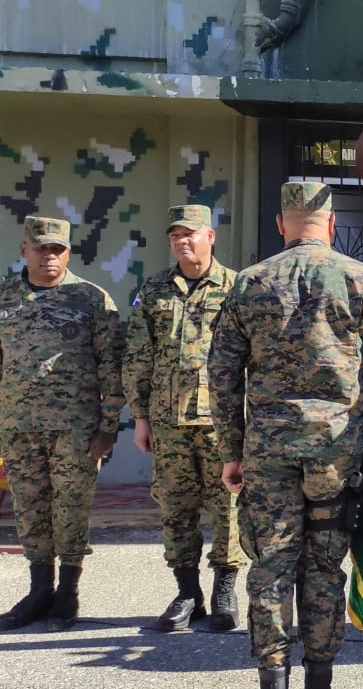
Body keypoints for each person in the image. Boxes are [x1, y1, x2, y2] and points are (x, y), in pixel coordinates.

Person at [209, 182, 363, 689]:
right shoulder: (361, 279)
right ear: (331, 223)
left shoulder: (249, 283)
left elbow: (222, 372)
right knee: (324, 567)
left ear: (282, 224)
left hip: (268, 450)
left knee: (271, 566)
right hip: (335, 449)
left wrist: (232, 449)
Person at [124, 205, 246, 632]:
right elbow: (138, 355)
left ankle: (225, 590)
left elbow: (253, 355)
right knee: (175, 508)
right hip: (168, 421)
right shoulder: (155, 288)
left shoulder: (237, 287)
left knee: (228, 508)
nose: (182, 241)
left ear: (210, 236)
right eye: (175, 235)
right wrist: (140, 416)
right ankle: (187, 593)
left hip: (221, 421)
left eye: (189, 233)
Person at [0, 216, 122, 633]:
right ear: (25, 250)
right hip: (18, 426)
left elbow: (111, 366)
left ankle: (67, 592)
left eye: (58, 249)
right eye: (41, 248)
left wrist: (108, 427)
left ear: (68, 252)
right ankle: (39, 592)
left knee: (71, 508)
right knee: (30, 509)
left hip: (76, 429)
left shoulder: (91, 298)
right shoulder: (4, 297)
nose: (49, 256)